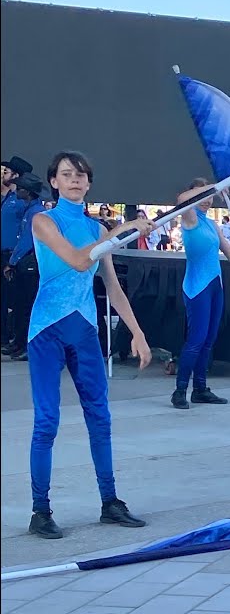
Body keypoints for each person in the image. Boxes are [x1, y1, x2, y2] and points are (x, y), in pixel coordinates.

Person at [26, 151, 158, 539]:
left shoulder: (98, 229)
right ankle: (40, 510)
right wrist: (123, 229)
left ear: (89, 182)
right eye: (67, 174)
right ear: (54, 182)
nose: (75, 180)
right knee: (46, 421)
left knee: (100, 417)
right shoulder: (43, 221)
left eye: (81, 175)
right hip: (46, 331)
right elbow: (78, 261)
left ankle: (110, 502)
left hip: (84, 330)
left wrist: (137, 332)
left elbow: (112, 287)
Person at [170, 179, 230, 410]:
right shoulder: (189, 218)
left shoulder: (212, 224)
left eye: (211, 197)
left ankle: (200, 389)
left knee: (208, 340)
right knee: (196, 339)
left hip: (214, 286)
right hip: (196, 287)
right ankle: (180, 390)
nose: (208, 200)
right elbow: (181, 199)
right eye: (204, 195)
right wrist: (215, 187)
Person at [5, 174, 51, 361]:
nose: (18, 191)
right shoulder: (30, 210)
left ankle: (26, 344)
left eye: (21, 189)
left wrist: (13, 261)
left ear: (28, 192)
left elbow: (27, 241)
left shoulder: (36, 213)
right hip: (26, 262)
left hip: (29, 263)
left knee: (27, 305)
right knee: (20, 304)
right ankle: (19, 342)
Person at [2, 155, 34, 350]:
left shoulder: (24, 203)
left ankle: (18, 339)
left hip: (16, 255)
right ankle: (10, 337)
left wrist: (13, 260)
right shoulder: (8, 198)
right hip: (8, 254)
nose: (3, 175)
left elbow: (25, 235)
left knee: (19, 301)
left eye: (6, 172)